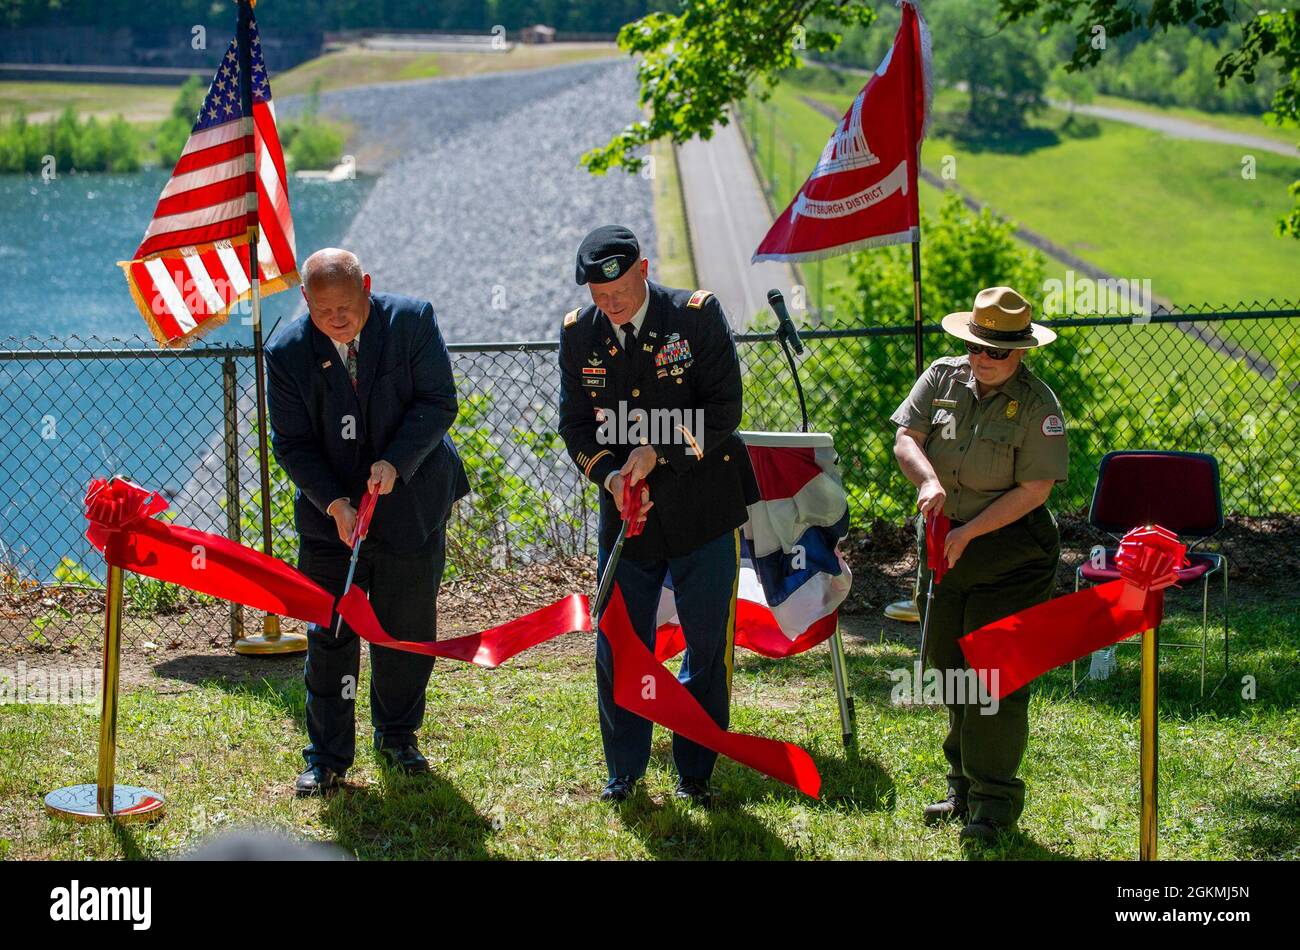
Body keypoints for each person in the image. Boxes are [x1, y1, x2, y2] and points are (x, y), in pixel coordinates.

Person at [557, 225, 760, 806]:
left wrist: (657, 453)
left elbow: (725, 410)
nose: (611, 305)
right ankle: (625, 769)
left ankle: (695, 769)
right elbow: (575, 428)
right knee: (620, 641)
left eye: (619, 291)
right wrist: (611, 475)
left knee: (704, 645)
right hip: (626, 517)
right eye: (600, 296)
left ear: (643, 271)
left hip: (702, 510)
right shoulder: (579, 335)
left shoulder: (695, 316)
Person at [265, 248, 469, 797]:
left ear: (368, 289)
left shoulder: (412, 321)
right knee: (330, 633)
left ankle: (398, 736)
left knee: (404, 628)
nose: (337, 319)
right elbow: (292, 442)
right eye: (323, 309)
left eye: (348, 307)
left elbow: (438, 401)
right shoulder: (286, 352)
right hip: (332, 516)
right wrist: (335, 504)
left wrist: (395, 464)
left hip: (411, 500)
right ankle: (327, 756)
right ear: (305, 300)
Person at [889, 285, 1068, 845]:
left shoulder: (1039, 406)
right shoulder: (942, 378)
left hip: (1011, 551)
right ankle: (962, 786)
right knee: (949, 665)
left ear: (1021, 352)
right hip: (947, 541)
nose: (983, 360)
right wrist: (929, 481)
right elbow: (904, 438)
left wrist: (970, 532)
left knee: (993, 676)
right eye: (977, 347)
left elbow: (1035, 488)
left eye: (998, 352)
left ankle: (992, 806)